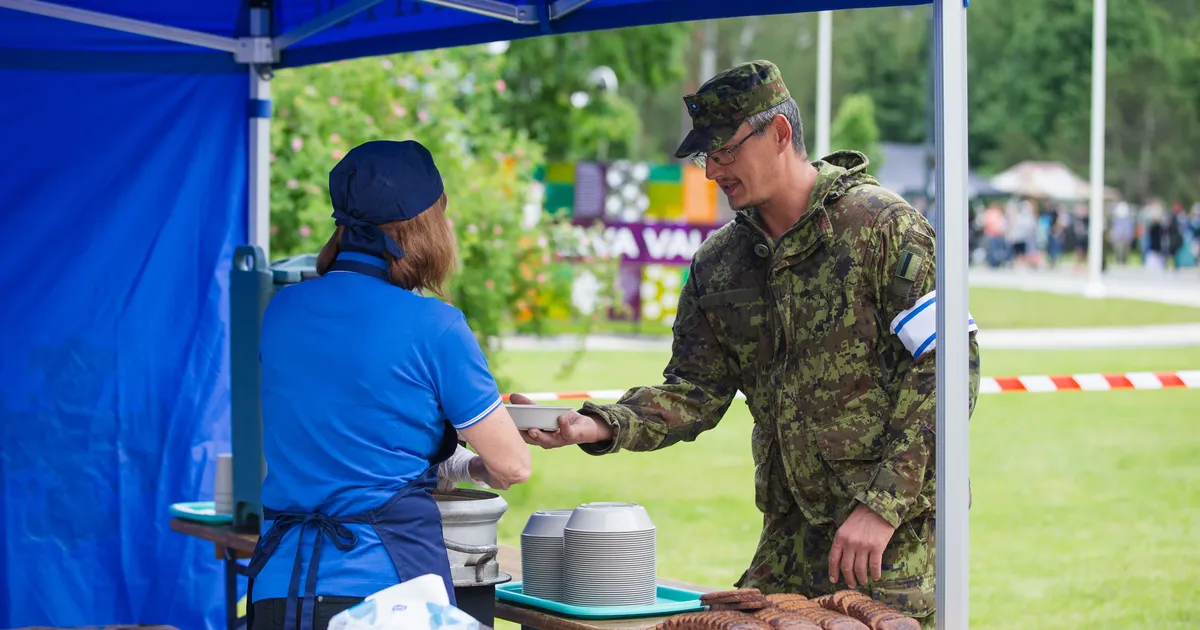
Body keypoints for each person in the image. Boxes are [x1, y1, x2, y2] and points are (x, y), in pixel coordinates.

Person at [516, 60, 981, 628]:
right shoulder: (719, 264)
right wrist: (598, 424)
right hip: (786, 544)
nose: (712, 171)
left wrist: (881, 507)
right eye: (704, 156)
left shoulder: (882, 228)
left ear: (779, 133)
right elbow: (694, 392)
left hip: (887, 545)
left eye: (725, 151)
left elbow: (948, 368)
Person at [247, 140, 531, 630]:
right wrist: (486, 459)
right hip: (388, 593)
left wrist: (459, 463)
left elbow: (346, 434)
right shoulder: (436, 326)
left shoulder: (283, 311)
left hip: (280, 587)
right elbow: (513, 465)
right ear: (427, 226)